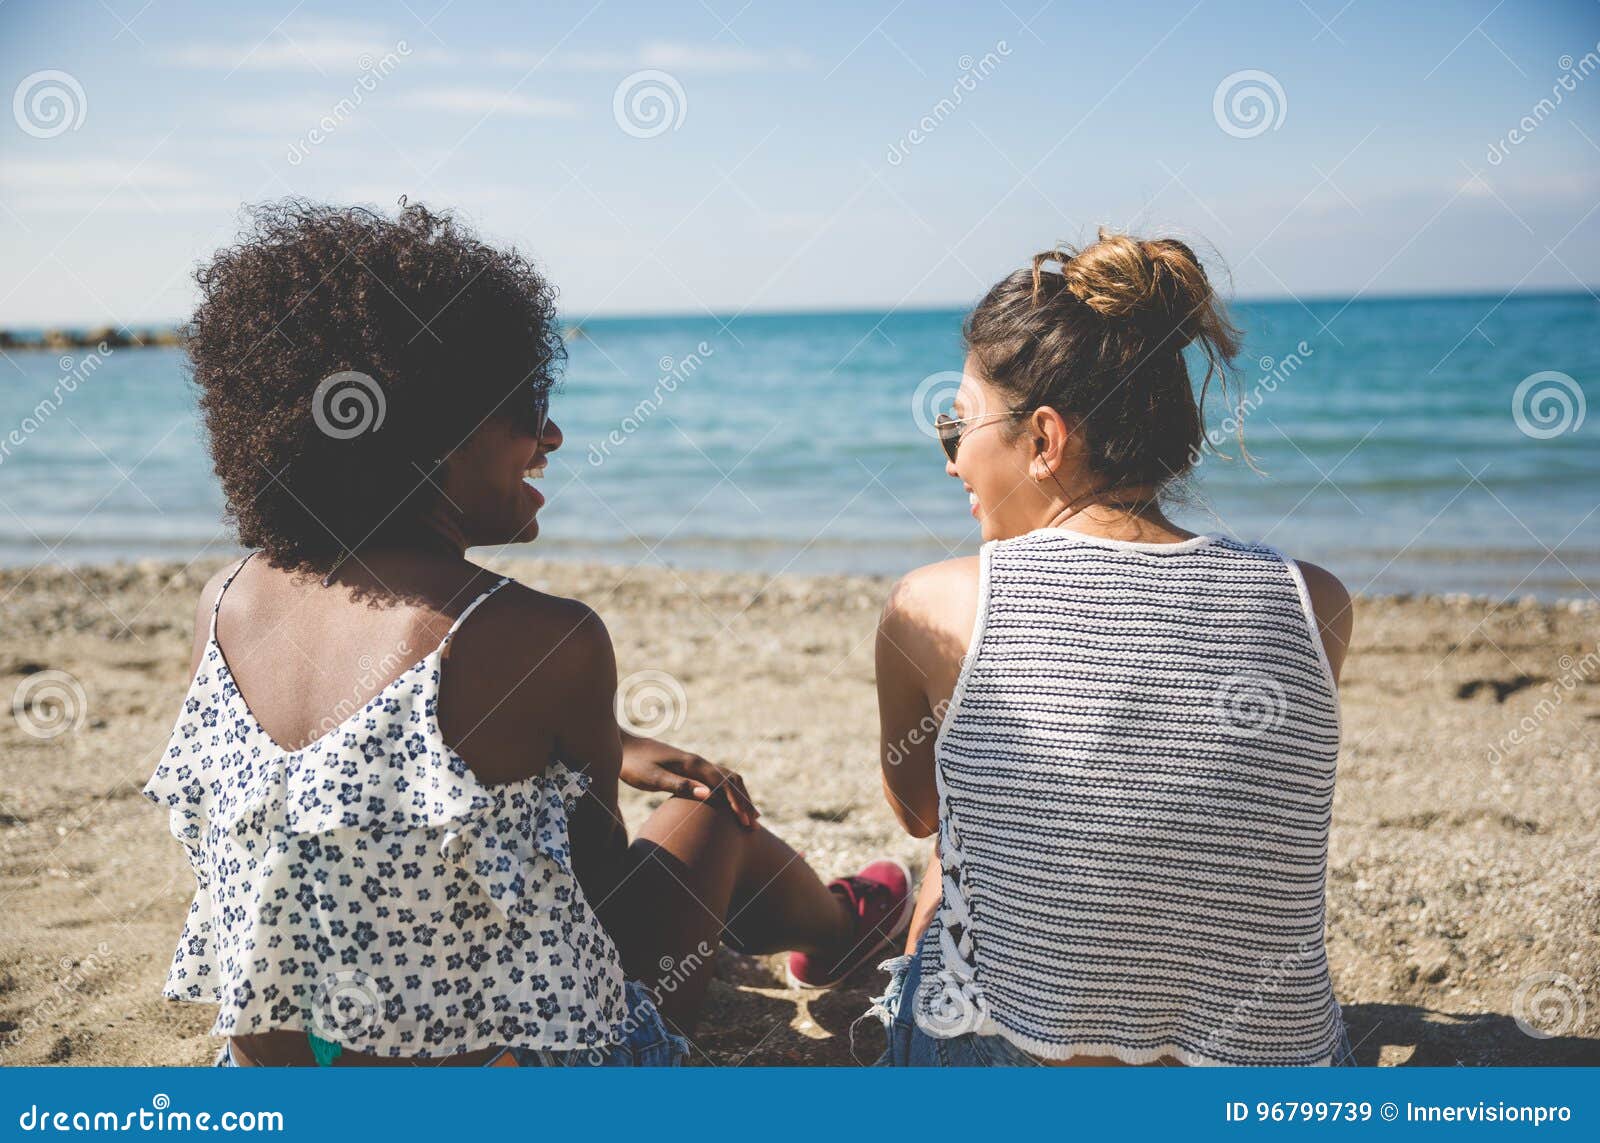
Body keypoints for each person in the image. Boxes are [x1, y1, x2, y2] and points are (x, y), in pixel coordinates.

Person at [144, 200, 910, 1067]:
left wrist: (601, 741)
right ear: (438, 434)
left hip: (290, 1077)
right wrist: (579, 741)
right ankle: (843, 927)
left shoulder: (225, 599)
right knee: (707, 820)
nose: (549, 436)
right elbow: (598, 895)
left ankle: (818, 925)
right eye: (527, 405)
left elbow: (354, 767)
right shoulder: (538, 637)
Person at [869, 229, 1355, 1067]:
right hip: (1275, 1085)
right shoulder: (1313, 600)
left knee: (946, 876)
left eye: (960, 426)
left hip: (1024, 1068)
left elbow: (921, 812)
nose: (954, 464)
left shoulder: (931, 605)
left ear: (1044, 440)